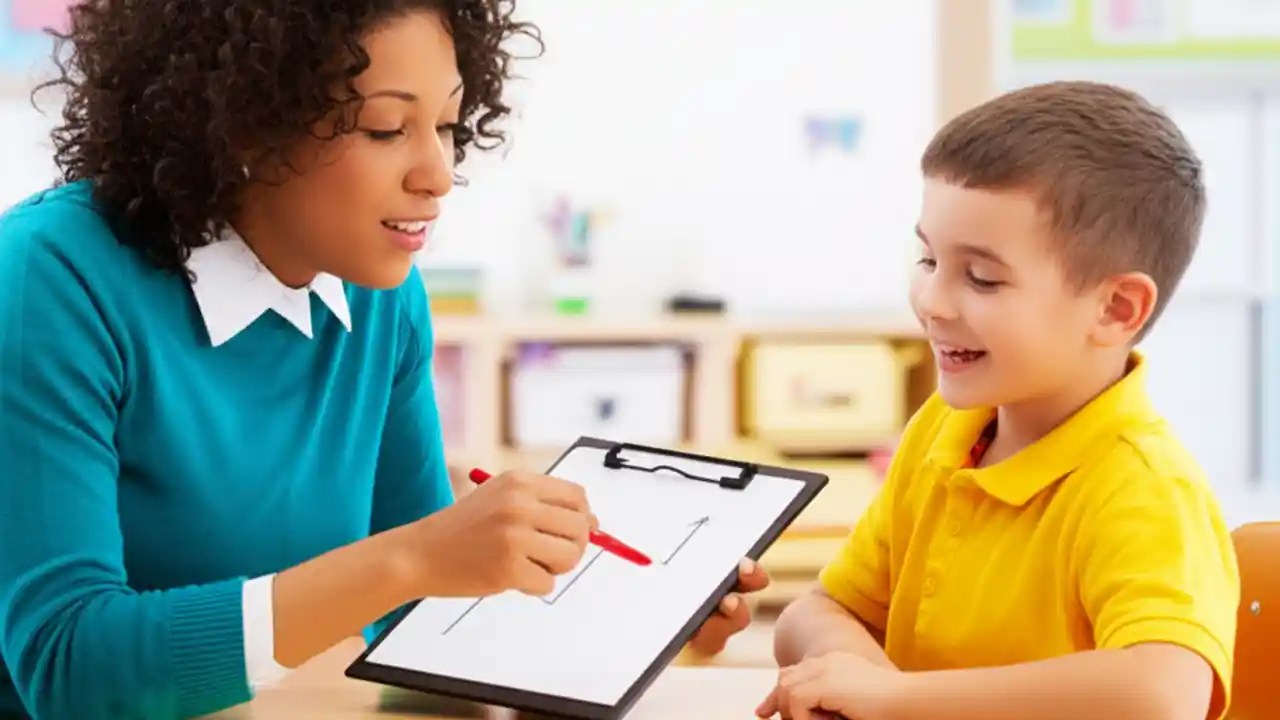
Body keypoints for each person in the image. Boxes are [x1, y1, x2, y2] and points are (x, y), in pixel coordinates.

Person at [0, 1, 767, 718]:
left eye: (449, 125)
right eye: (384, 128)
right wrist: (411, 558)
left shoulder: (381, 297)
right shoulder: (51, 275)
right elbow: (66, 666)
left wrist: (636, 624)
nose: (436, 174)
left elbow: (424, 624)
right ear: (241, 125)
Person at [757, 81, 1241, 720]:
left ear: (1116, 309)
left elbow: (1161, 694)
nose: (932, 301)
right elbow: (816, 613)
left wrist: (899, 700)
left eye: (981, 277)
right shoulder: (944, 429)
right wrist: (873, 692)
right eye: (929, 259)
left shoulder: (1142, 487)